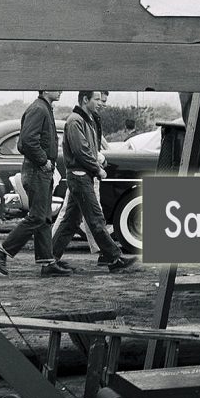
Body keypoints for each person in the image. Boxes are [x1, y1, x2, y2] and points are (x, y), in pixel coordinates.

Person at [0, 90, 71, 277]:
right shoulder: (39, 109)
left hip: (40, 171)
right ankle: (1, 251)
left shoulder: (43, 108)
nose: (61, 90)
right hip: (37, 171)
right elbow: (26, 141)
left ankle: (47, 262)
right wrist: (43, 160)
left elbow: (25, 142)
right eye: (56, 86)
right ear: (45, 88)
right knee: (38, 217)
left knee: (44, 217)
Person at [51, 91, 137, 272]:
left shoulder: (84, 120)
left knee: (70, 222)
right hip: (80, 177)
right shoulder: (76, 121)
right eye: (96, 99)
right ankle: (114, 258)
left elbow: (86, 150)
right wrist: (97, 169)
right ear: (85, 100)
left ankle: (50, 259)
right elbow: (81, 151)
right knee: (95, 219)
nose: (100, 103)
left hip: (81, 176)